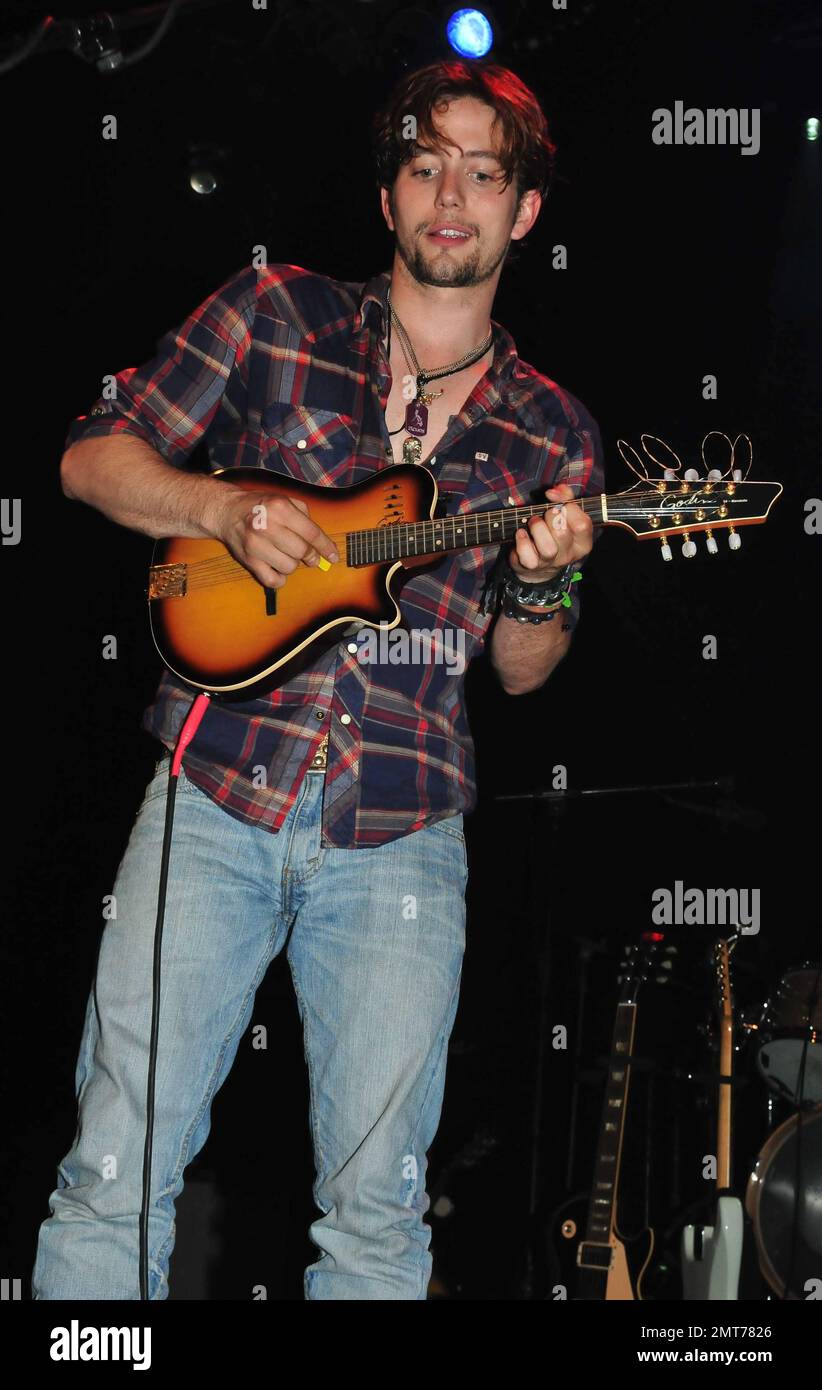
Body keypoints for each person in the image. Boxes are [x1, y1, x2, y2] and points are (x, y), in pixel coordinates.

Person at [32, 58, 604, 1301]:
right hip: (213, 787)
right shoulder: (273, 311)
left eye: (484, 172)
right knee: (113, 1172)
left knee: (379, 1220)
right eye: (423, 166)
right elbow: (88, 457)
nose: (451, 193)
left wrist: (546, 580)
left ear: (526, 212)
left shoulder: (553, 434)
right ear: (389, 198)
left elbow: (519, 671)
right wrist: (220, 506)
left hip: (402, 834)